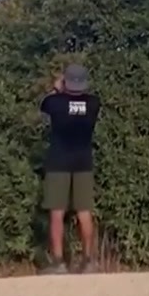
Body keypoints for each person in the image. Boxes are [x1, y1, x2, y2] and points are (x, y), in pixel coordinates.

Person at [38, 64, 102, 274]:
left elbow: (44, 106)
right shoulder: (93, 104)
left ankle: (58, 263)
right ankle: (89, 260)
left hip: (58, 162)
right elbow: (79, 103)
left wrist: (57, 89)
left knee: (57, 213)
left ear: (66, 81)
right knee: (84, 212)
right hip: (83, 162)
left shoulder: (54, 102)